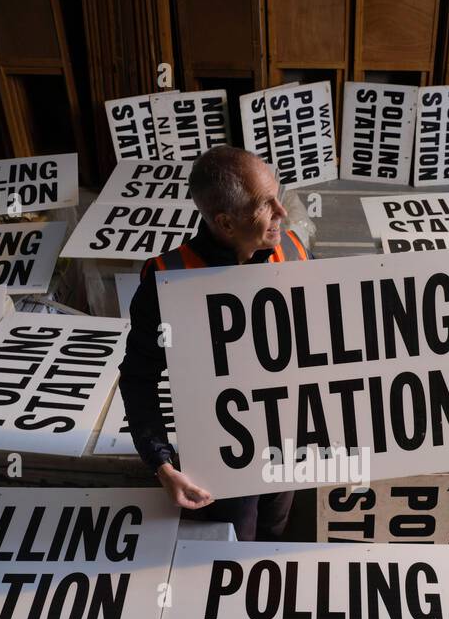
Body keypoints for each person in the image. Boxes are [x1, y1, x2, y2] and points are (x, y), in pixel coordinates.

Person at [117, 144, 309, 541]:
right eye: (265, 204)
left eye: (278, 195)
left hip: (289, 445)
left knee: (274, 530)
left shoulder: (291, 250)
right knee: (233, 544)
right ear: (225, 223)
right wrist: (162, 464)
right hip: (223, 459)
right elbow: (138, 378)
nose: (282, 212)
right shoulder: (168, 280)